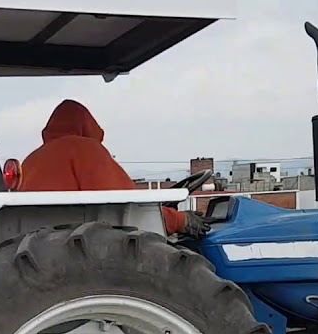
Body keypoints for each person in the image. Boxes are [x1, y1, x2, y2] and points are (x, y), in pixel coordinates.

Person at [17, 99, 208, 238]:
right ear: (88, 127)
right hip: (79, 245)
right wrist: (178, 220)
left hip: (44, 243)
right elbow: (128, 207)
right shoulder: (86, 150)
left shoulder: (30, 160)